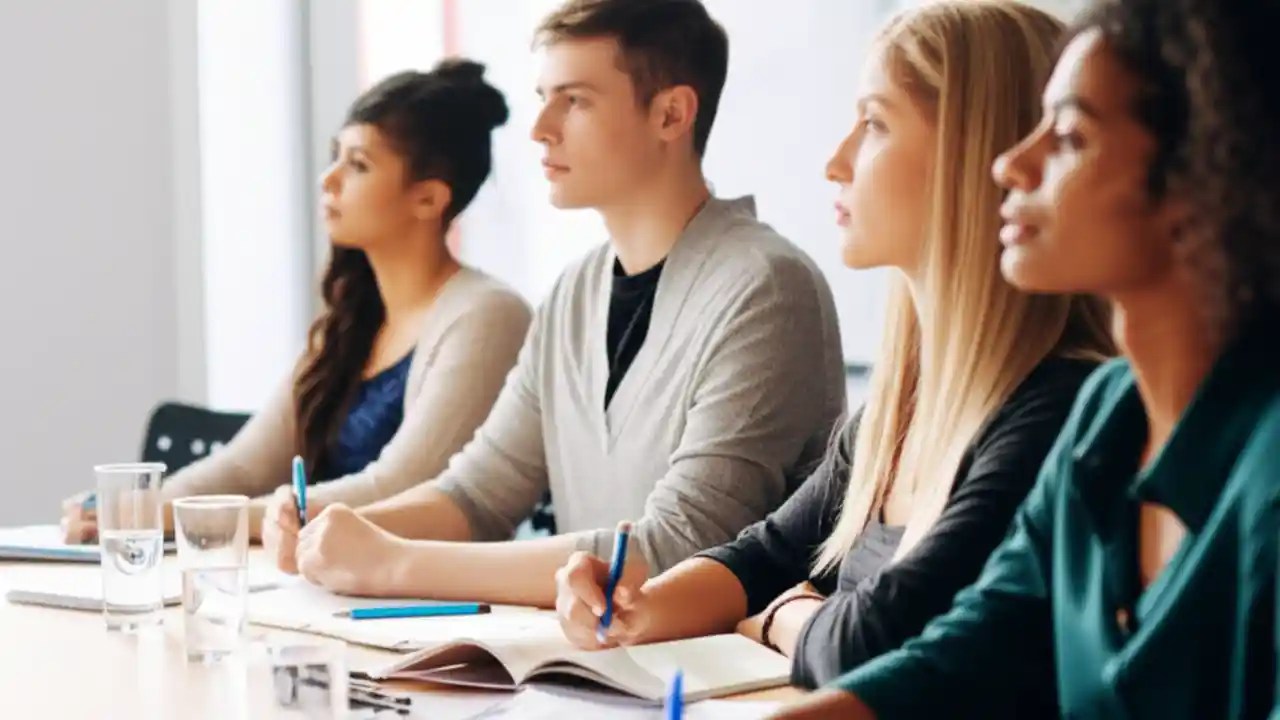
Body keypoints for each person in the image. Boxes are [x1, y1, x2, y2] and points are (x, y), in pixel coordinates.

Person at [552, 0, 1114, 696]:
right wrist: (641, 606)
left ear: (974, 154)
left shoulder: (1059, 407)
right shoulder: (899, 408)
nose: (835, 162)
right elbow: (767, 553)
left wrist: (782, 618)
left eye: (874, 124)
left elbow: (874, 643)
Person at [770, 0, 1280, 717]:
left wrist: (784, 624)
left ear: (1207, 175)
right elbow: (964, 652)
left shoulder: (1263, 463)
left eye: (1069, 136)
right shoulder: (1106, 415)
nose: (1010, 163)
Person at [262, 0, 847, 606]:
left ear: (671, 114)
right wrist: (338, 529)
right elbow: (479, 493)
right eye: (544, 95)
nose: (541, 126)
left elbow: (678, 547)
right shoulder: (574, 291)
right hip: (593, 664)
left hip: (719, 686)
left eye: (574, 100)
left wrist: (393, 563)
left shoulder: (767, 287)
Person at [60, 59, 531, 542]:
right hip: (322, 583)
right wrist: (132, 509)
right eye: (336, 156)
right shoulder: (352, 322)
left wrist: (178, 518)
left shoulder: (487, 315)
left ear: (429, 200)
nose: (329, 179)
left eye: (359, 164)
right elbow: (246, 466)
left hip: (424, 606)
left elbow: (400, 487)